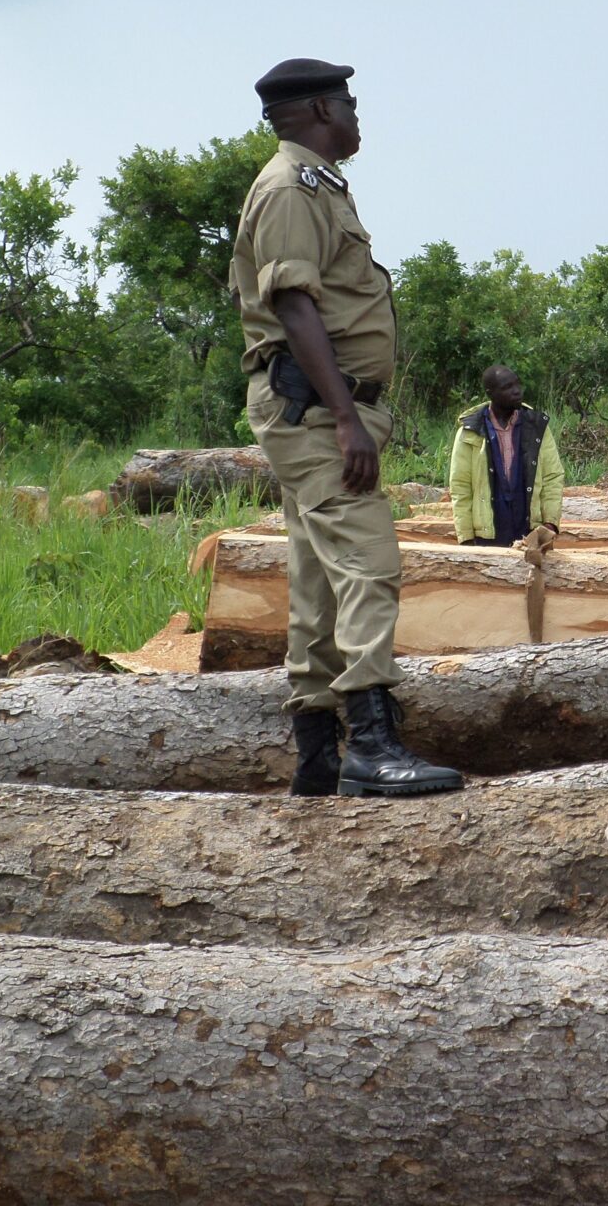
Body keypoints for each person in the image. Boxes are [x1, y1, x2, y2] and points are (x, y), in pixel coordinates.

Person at [230, 57, 460, 799]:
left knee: (318, 581)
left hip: (321, 408)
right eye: (350, 104)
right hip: (318, 409)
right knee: (368, 562)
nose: (358, 117)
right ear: (323, 110)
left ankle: (317, 756)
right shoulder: (290, 187)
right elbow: (296, 308)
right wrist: (343, 421)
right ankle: (370, 742)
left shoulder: (315, 184)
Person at [449, 365, 564, 546]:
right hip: (487, 533)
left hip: (529, 528)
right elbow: (460, 486)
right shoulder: (470, 432)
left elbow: (553, 476)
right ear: (491, 393)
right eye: (507, 387)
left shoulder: (536, 427)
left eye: (518, 384)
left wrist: (550, 523)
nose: (517, 391)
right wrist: (466, 537)